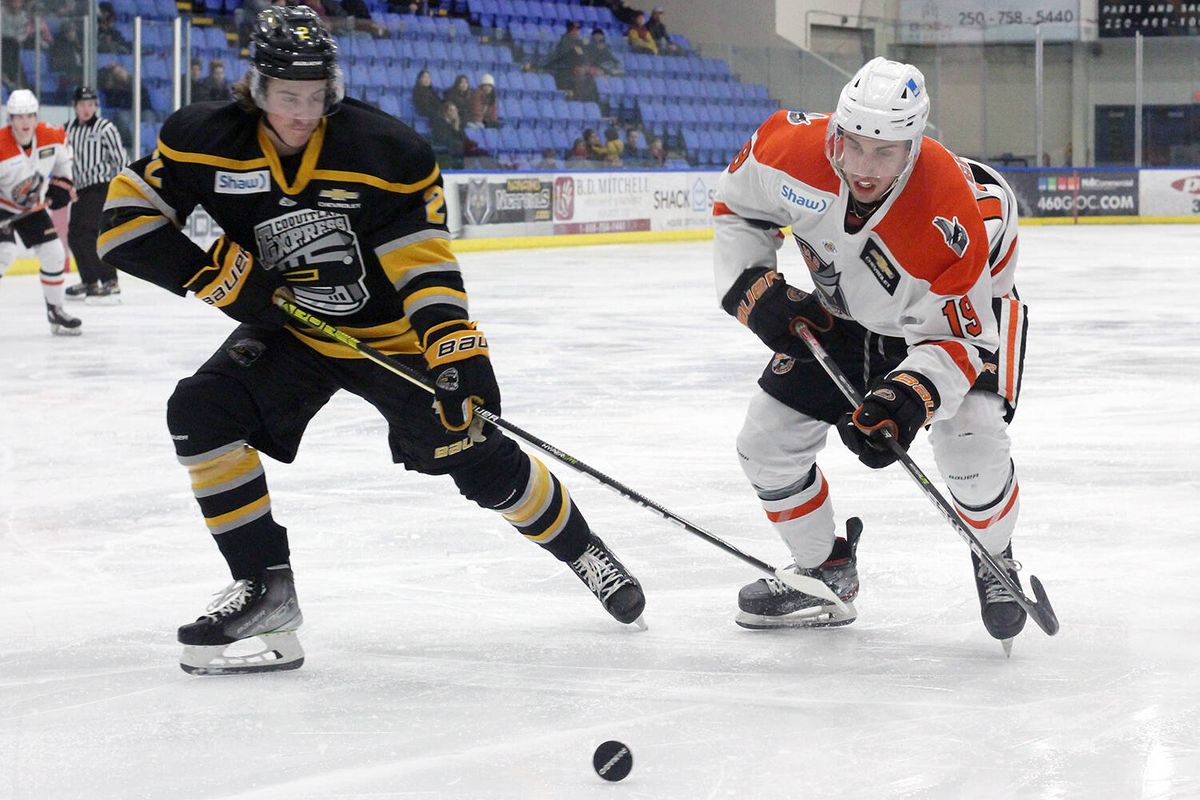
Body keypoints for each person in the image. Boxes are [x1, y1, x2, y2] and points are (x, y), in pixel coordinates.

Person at [97, 6, 645, 676]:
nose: (300, 113)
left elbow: (425, 263)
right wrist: (224, 280)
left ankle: (584, 551)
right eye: (285, 96)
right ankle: (266, 589)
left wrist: (453, 349)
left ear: (334, 88)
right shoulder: (206, 139)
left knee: (479, 461)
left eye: (313, 96)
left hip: (389, 338)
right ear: (257, 88)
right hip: (294, 329)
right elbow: (123, 224)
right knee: (202, 412)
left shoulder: (384, 152)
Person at [711, 57, 1028, 645]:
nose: (862, 167)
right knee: (766, 445)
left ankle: (995, 553)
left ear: (914, 146)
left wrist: (910, 397)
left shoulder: (952, 219)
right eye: (853, 145)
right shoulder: (790, 148)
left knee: (970, 443)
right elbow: (740, 207)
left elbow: (957, 338)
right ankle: (824, 569)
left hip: (957, 319)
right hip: (845, 307)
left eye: (884, 153)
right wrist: (750, 287)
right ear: (836, 128)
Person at [0, 90, 80, 335]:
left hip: (32, 207)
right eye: (19, 117)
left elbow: (64, 166)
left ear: (36, 117)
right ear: (10, 119)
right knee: (4, 253)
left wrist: (61, 187)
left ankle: (55, 310)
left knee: (54, 253)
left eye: (29, 116)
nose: (24, 123)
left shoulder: (52, 136)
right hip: (2, 206)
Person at [65, 86, 128, 303]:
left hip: (101, 187)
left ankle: (109, 280)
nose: (87, 109)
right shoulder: (68, 130)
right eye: (82, 104)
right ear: (75, 106)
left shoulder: (105, 128)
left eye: (91, 104)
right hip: (80, 190)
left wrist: (120, 189)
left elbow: (120, 159)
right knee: (74, 236)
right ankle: (90, 280)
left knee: (91, 234)